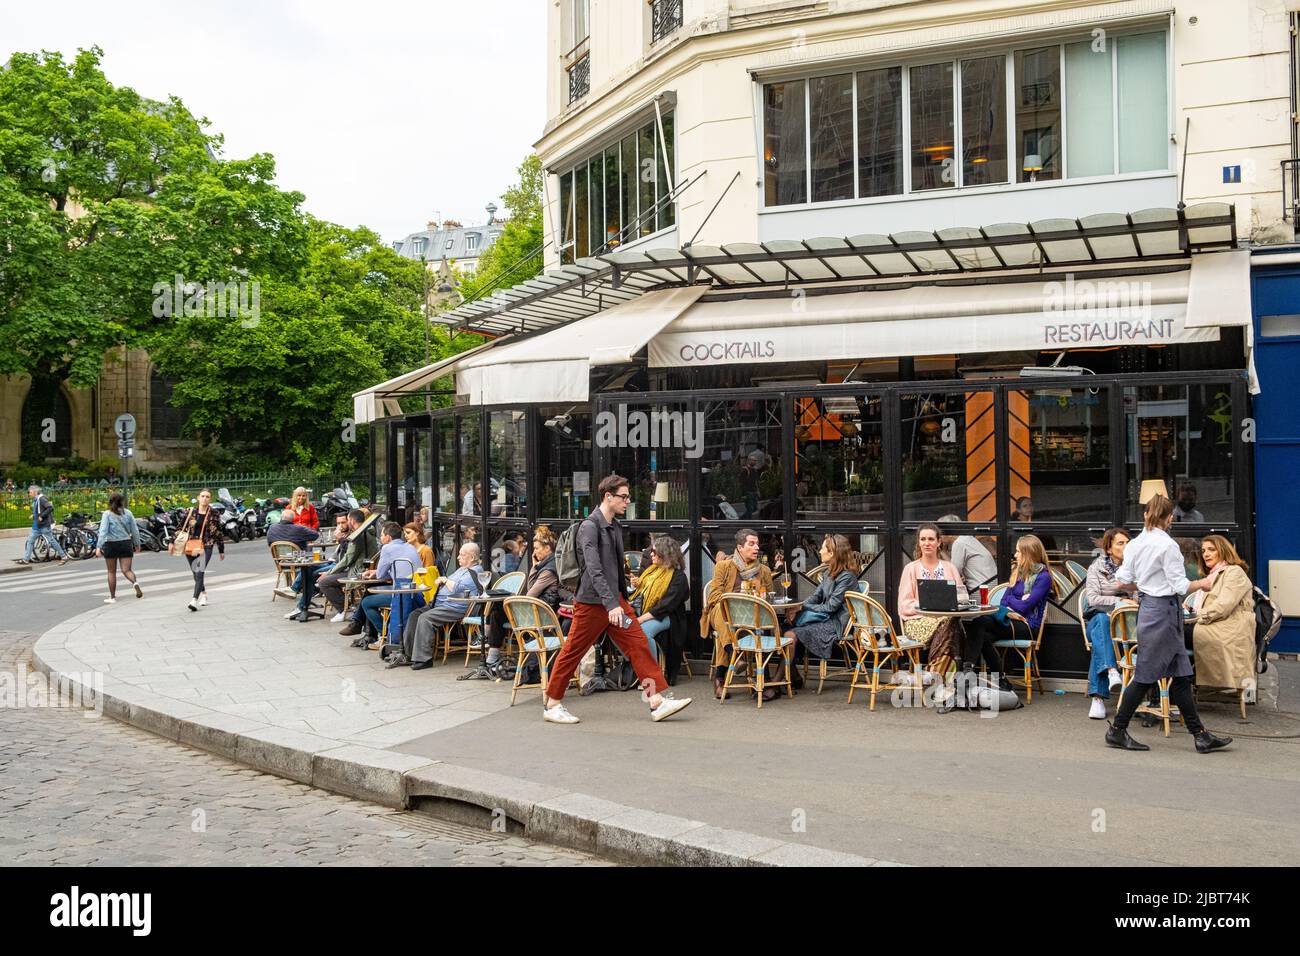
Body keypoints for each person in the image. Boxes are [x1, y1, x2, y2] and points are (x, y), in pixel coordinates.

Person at [539, 474, 691, 725]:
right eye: (624, 496)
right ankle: (552, 703)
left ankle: (656, 701)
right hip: (592, 603)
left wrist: (622, 598)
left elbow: (613, 570)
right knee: (572, 651)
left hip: (615, 602)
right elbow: (594, 568)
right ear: (608, 496)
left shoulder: (615, 527)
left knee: (638, 644)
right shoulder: (590, 527)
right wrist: (612, 604)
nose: (627, 501)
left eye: (627, 496)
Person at [1106, 495, 1231, 753]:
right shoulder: (1168, 546)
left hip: (1151, 609)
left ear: (1145, 515)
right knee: (1144, 676)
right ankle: (1117, 730)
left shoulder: (1135, 544)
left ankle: (1200, 735)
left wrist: (1147, 585)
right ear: (1170, 518)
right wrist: (1205, 583)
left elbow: (1122, 580)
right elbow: (1181, 586)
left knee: (1182, 676)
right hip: (1163, 612)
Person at [462, 526, 564, 681]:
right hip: (536, 610)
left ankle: (487, 645)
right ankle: (488, 648)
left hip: (540, 615)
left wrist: (534, 568)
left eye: (536, 548)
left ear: (547, 548)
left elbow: (530, 593)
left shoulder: (548, 570)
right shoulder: (546, 566)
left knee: (498, 607)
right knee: (497, 609)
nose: (534, 552)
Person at [962, 535, 1055, 704]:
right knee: (981, 631)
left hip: (1028, 626)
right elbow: (1004, 602)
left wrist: (1014, 603)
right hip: (1010, 621)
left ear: (1028, 553)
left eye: (1019, 551)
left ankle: (969, 671)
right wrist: (1017, 602)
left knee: (980, 623)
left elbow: (1024, 608)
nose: (1015, 555)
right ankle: (998, 678)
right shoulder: (1017, 574)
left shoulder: (1043, 577)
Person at [777, 534, 859, 701]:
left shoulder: (847, 577)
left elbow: (831, 607)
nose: (820, 551)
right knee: (782, 627)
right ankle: (793, 676)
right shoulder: (830, 572)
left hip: (835, 624)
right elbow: (815, 596)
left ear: (833, 553)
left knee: (790, 635)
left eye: (823, 548)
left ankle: (779, 681)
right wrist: (800, 606)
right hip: (825, 619)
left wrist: (802, 607)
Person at [897, 523, 967, 705]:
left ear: (938, 542)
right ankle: (943, 682)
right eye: (923, 539)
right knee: (951, 627)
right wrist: (925, 605)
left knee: (950, 623)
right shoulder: (911, 569)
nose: (927, 543)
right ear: (918, 543)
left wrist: (949, 603)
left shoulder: (949, 568)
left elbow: (962, 595)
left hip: (944, 621)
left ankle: (932, 674)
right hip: (917, 622)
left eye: (930, 539)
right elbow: (904, 605)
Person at [701, 528, 774, 698]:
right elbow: (714, 596)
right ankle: (731, 652)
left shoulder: (764, 571)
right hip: (723, 614)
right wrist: (734, 597)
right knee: (722, 609)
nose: (756, 547)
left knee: (727, 629)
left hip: (752, 616)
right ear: (740, 547)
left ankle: (722, 678)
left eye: (757, 544)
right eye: (751, 544)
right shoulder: (724, 566)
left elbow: (770, 598)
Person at [389, 541, 483, 671]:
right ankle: (408, 654)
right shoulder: (462, 569)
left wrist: (444, 580)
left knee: (425, 618)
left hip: (456, 607)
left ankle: (424, 659)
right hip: (441, 604)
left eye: (462, 555)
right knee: (414, 615)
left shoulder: (475, 572)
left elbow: (458, 589)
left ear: (472, 558)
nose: (458, 557)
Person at [1190, 535, 1256, 696]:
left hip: (1227, 630)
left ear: (1224, 551)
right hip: (1215, 625)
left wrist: (1196, 615)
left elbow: (1223, 606)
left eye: (1211, 550)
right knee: (1169, 637)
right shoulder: (1212, 576)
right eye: (1204, 550)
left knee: (1169, 636)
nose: (1205, 554)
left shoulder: (1234, 572)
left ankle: (1174, 688)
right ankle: (1178, 686)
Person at [348, 521, 422, 649]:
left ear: (388, 537)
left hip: (402, 593)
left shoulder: (387, 548)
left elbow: (381, 575)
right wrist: (380, 571)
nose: (380, 538)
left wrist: (377, 572)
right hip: (417, 591)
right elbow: (399, 569)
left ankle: (385, 634)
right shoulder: (410, 547)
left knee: (366, 602)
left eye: (381, 535)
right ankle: (364, 628)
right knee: (369, 594)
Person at [629, 535, 691, 685]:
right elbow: (643, 594)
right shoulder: (651, 571)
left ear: (665, 554)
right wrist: (636, 586)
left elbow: (665, 606)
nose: (651, 554)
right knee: (623, 627)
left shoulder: (678, 578)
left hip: (669, 617)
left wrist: (640, 619)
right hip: (649, 612)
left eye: (654, 552)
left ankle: (651, 674)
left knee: (642, 632)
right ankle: (634, 670)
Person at [1083, 528, 1129, 719]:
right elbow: (1092, 599)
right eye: (1120, 543)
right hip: (1098, 618)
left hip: (1127, 622)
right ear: (1109, 548)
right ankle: (1111, 671)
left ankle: (1098, 698)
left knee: (1101, 644)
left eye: (1128, 543)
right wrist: (1118, 601)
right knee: (1102, 624)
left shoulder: (1133, 568)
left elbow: (1141, 595)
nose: (1125, 546)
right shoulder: (1096, 568)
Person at [169, 488, 225, 612]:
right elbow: (180, 528)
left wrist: (221, 549)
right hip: (191, 545)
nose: (205, 498)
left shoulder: (214, 513)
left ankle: (194, 600)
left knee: (200, 572)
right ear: (198, 498)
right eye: (203, 496)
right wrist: (171, 542)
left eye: (207, 496)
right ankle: (204, 593)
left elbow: (219, 532)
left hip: (207, 546)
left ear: (210, 499)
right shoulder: (190, 512)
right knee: (195, 573)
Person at [319, 510, 380, 622]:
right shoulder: (367, 531)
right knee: (326, 577)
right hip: (363, 569)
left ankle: (345, 610)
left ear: (351, 520)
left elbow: (347, 560)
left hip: (359, 572)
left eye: (347, 520)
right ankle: (349, 608)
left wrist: (328, 573)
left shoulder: (359, 535)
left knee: (324, 582)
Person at [95, 491, 142, 603]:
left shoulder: (107, 514)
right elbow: (134, 530)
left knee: (111, 572)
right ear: (122, 502)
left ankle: (112, 597)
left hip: (111, 544)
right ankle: (135, 583)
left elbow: (103, 531)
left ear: (110, 502)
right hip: (126, 543)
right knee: (127, 570)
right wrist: (137, 544)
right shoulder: (128, 513)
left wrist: (98, 547)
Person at [937, 515, 998, 594]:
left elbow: (953, 571)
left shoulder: (959, 543)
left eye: (940, 533)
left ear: (950, 532)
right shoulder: (967, 538)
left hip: (980, 592)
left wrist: (941, 551)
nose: (939, 537)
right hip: (991, 589)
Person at [19, 485, 68, 566]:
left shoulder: (41, 499)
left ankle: (64, 556)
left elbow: (50, 507)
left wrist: (41, 516)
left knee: (52, 541)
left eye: (30, 492)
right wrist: (34, 515)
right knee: (30, 541)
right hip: (36, 526)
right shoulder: (36, 499)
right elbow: (39, 511)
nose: (29, 494)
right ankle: (26, 559)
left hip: (44, 526)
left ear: (35, 492)